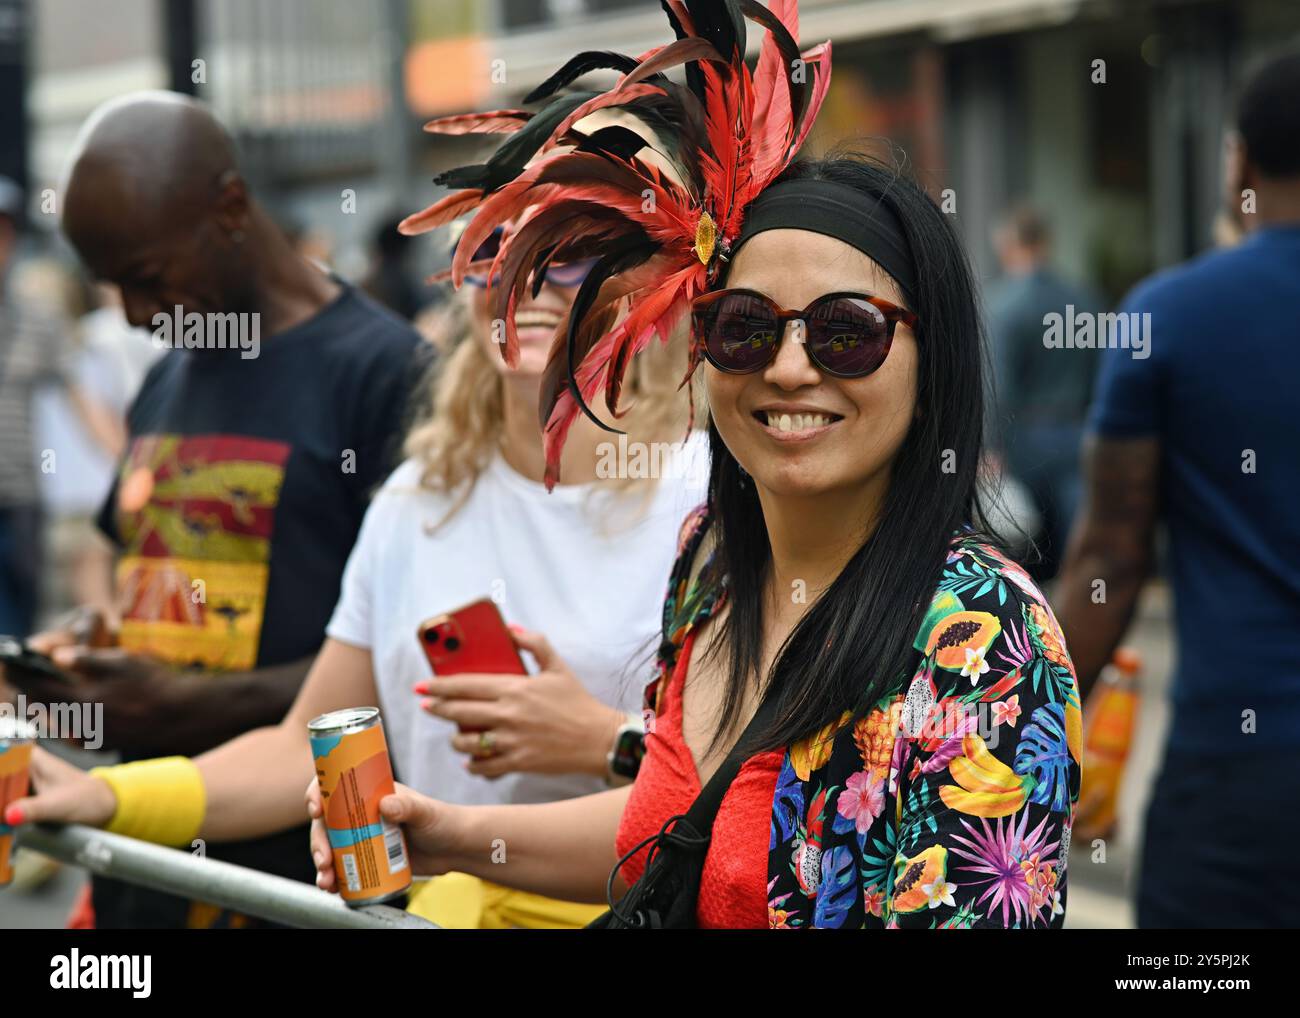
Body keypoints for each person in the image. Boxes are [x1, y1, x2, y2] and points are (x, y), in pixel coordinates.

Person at [295, 0, 1080, 929]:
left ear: (930, 358)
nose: (790, 369)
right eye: (743, 329)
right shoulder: (709, 559)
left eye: (846, 334)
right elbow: (669, 835)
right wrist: (448, 836)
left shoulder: (986, 641)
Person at [8, 189, 708, 929]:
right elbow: (296, 747)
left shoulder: (704, 493)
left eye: (569, 260)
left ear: (636, 286)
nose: (524, 284)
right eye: (492, 254)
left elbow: (736, 793)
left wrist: (605, 740)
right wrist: (111, 798)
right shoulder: (417, 498)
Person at [1, 91, 428, 929]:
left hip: (295, 877)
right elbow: (153, 588)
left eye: (148, 278)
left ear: (229, 207)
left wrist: (188, 703)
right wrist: (90, 654)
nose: (130, 314)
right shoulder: (168, 377)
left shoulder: (387, 377)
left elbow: (407, 664)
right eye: (111, 286)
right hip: (140, 865)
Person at [1054, 47, 1300, 929]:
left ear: (1238, 161)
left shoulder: (1170, 316)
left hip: (1237, 772)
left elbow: (1109, 558)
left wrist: (1035, 722)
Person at [0, 179, 122, 637]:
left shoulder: (37, 319)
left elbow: (83, 397)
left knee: (22, 614)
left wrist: (126, 464)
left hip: (22, 497)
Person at [986, 206, 1104, 581]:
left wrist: (990, 446)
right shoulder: (1084, 299)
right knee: (1075, 547)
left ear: (1007, 245)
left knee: (1026, 550)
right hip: (1076, 434)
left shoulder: (1002, 304)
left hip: (1024, 437)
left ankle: (1035, 631)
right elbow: (1102, 372)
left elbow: (998, 384)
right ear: (1046, 243)